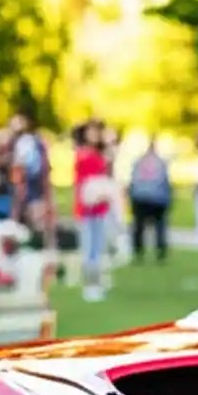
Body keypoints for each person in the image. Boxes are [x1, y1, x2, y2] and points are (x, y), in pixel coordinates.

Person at [9, 112, 55, 290]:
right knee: (24, 226)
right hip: (25, 190)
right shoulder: (19, 142)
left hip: (31, 190)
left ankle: (41, 265)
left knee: (36, 226)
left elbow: (30, 167)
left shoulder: (29, 142)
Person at [73, 121, 113, 302]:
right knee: (89, 248)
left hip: (100, 208)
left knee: (98, 247)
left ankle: (97, 281)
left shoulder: (100, 155)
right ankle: (90, 284)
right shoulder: (83, 155)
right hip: (88, 208)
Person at [127, 139, 172, 263]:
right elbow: (166, 182)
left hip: (141, 197)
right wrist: (168, 200)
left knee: (139, 227)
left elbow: (133, 181)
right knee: (159, 227)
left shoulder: (138, 162)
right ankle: (160, 251)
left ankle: (138, 251)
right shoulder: (161, 162)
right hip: (157, 199)